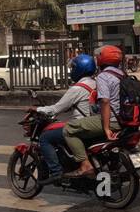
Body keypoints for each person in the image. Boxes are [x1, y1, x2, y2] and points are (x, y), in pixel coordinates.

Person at [63, 45, 124, 177]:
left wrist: (107, 128)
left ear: (102, 59)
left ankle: (85, 165)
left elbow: (105, 102)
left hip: (112, 120)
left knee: (68, 129)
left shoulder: (104, 76)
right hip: (123, 119)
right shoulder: (122, 74)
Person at [34, 54, 97, 177]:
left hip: (81, 126)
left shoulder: (77, 88)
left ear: (80, 69)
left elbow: (56, 109)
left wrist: (37, 109)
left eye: (73, 68)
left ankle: (57, 172)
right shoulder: (95, 83)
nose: (72, 71)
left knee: (45, 138)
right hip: (95, 124)